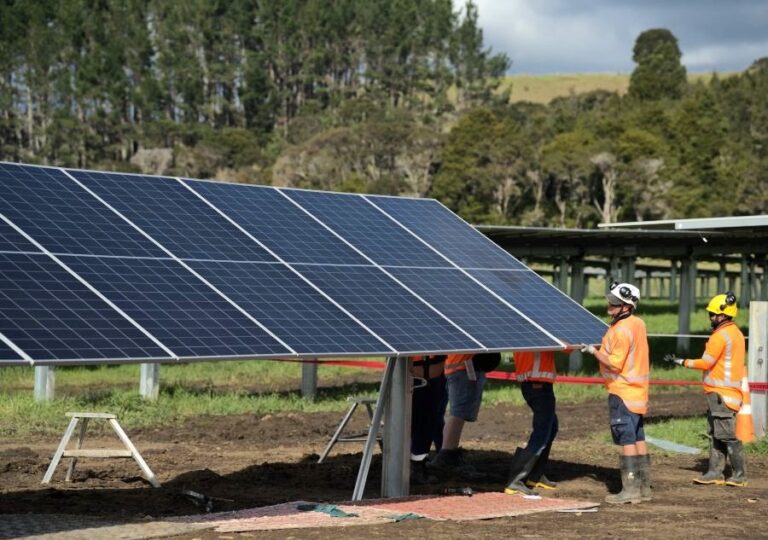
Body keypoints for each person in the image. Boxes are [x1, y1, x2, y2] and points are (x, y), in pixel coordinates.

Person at [663, 291, 747, 487]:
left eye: (713, 314)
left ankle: (739, 475)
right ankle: (714, 472)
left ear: (723, 315)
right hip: (725, 393)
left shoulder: (720, 336)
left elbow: (705, 362)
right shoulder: (736, 333)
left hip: (721, 394)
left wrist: (681, 361)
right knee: (716, 434)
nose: (710, 317)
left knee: (727, 435)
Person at [581, 281, 651, 504]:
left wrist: (594, 352)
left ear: (626, 306)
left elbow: (614, 363)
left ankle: (630, 491)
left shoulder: (621, 330)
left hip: (622, 390)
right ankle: (644, 488)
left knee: (627, 439)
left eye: (615, 303)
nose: (609, 305)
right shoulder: (638, 324)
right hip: (637, 392)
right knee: (638, 437)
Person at [427, 353, 491, 479]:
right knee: (458, 414)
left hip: (462, 367)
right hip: (464, 368)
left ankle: (447, 454)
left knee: (457, 414)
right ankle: (447, 455)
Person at [504, 350, 559, 496]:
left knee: (551, 427)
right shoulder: (542, 336)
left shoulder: (525, 336)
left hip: (535, 383)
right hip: (538, 384)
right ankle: (516, 480)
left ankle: (535, 475)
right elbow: (566, 347)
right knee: (542, 433)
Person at [409, 354, 448, 484]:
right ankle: (413, 466)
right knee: (415, 423)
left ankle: (418, 464)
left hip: (435, 378)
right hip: (412, 378)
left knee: (429, 423)